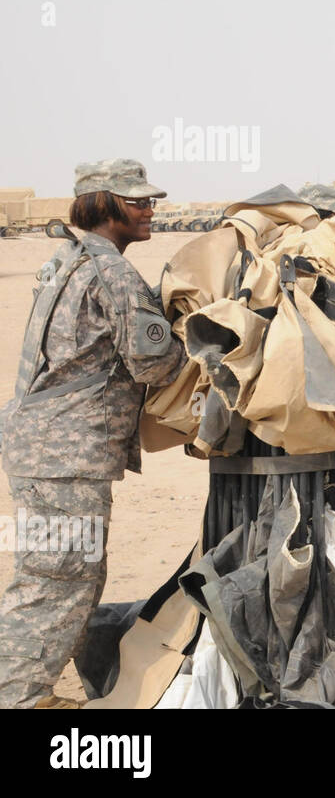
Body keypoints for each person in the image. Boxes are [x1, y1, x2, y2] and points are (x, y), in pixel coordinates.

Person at [0, 159, 187, 709]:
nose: (150, 209)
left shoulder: (68, 259)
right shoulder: (112, 271)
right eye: (137, 202)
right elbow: (154, 364)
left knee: (63, 577)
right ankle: (17, 698)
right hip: (66, 453)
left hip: (46, 447)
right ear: (105, 205)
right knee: (53, 584)